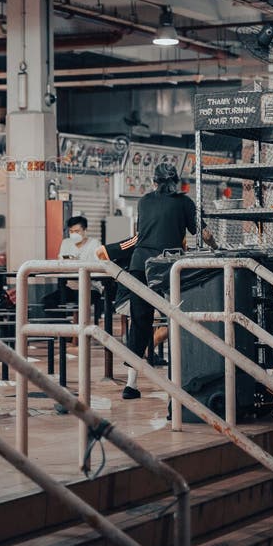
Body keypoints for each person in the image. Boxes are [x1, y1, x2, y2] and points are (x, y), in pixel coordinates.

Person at [114, 163, 216, 400]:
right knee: (179, 317)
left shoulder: (144, 201)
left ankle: (131, 385)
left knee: (140, 323)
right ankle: (181, 379)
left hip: (139, 265)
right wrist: (217, 248)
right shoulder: (185, 202)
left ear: (153, 182)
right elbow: (205, 234)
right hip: (168, 267)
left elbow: (144, 233)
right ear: (177, 182)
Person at [43, 216, 103, 312]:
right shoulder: (66, 243)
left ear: (85, 230)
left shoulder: (95, 244)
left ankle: (82, 325)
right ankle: (63, 326)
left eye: (77, 231)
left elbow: (99, 266)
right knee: (48, 301)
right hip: (69, 287)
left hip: (90, 288)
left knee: (82, 301)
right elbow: (61, 262)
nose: (74, 234)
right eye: (71, 231)